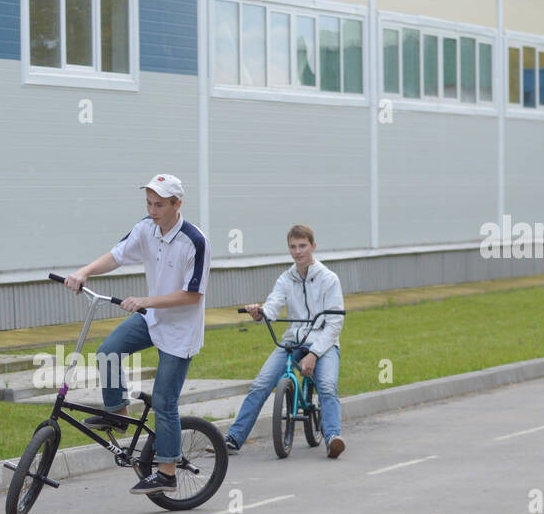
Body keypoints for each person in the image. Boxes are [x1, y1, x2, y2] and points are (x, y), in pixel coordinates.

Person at [62, 174, 207, 494]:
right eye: (149, 203)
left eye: (159, 205)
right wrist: (84, 272)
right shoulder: (146, 229)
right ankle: (117, 413)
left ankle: (167, 472)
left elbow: (192, 295)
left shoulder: (194, 241)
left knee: (164, 402)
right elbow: (117, 255)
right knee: (108, 351)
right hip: (153, 318)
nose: (152, 210)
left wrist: (145, 301)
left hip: (181, 330)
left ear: (176, 204)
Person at [225, 224, 346, 458]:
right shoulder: (285, 279)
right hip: (293, 341)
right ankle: (233, 438)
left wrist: (314, 354)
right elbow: (273, 306)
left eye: (303, 246)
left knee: (327, 387)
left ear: (313, 246)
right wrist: (259, 312)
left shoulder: (329, 279)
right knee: (260, 384)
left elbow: (334, 324)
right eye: (293, 247)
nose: (298, 251)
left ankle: (332, 438)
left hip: (324, 342)